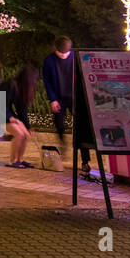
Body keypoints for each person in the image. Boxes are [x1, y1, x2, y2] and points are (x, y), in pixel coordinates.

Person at [42, 36, 91, 175]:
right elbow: (47, 81)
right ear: (55, 49)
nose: (63, 55)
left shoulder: (76, 58)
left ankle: (85, 160)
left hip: (75, 98)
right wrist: (53, 99)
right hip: (59, 98)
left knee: (81, 128)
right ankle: (63, 144)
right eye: (60, 53)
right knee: (59, 123)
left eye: (66, 53)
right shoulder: (49, 60)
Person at [3, 64, 38, 168]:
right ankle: (13, 161)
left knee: (25, 134)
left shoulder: (21, 89)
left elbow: (22, 109)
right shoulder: (9, 85)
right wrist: (9, 118)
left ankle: (20, 159)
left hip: (9, 113)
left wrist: (28, 127)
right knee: (19, 134)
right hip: (0, 113)